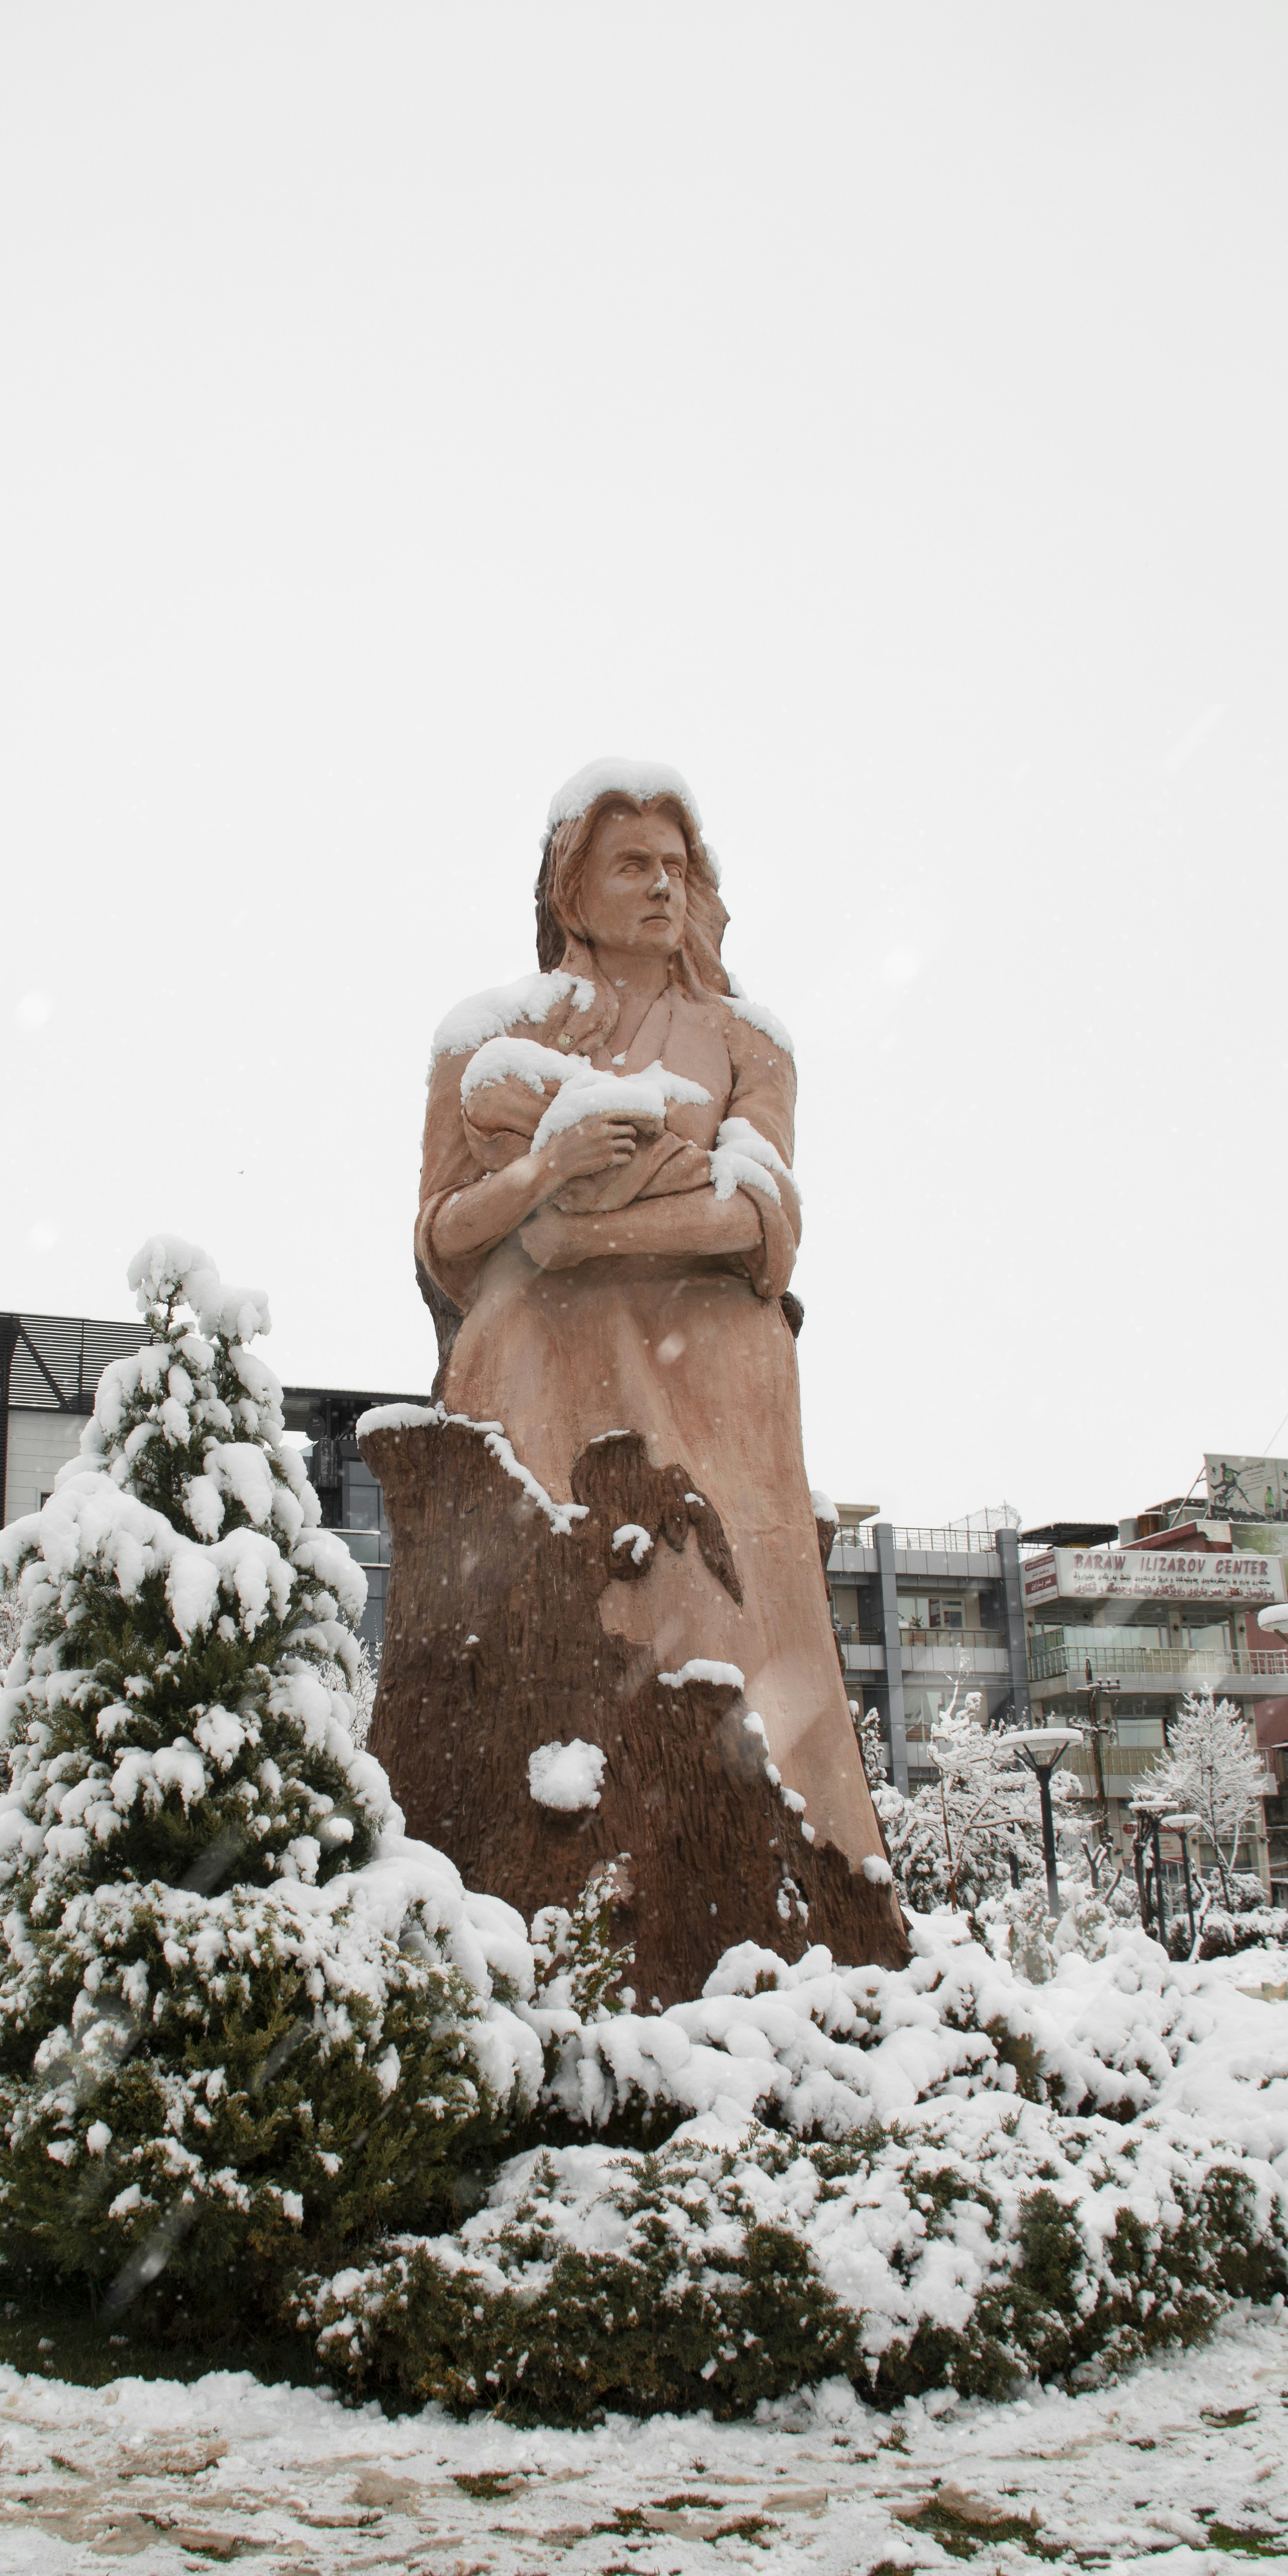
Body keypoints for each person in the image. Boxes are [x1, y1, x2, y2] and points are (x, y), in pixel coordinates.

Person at [414, 759, 897, 1888]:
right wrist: (549, 1171)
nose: (661, 886)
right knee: (524, 1331)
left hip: (711, 1339)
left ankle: (773, 1815)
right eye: (632, 863)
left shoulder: (746, 1043)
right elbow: (444, 1238)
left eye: (677, 867)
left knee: (736, 1349)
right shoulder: (490, 1041)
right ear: (569, 889)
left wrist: (582, 1239)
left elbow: (760, 1222)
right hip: (536, 1332)